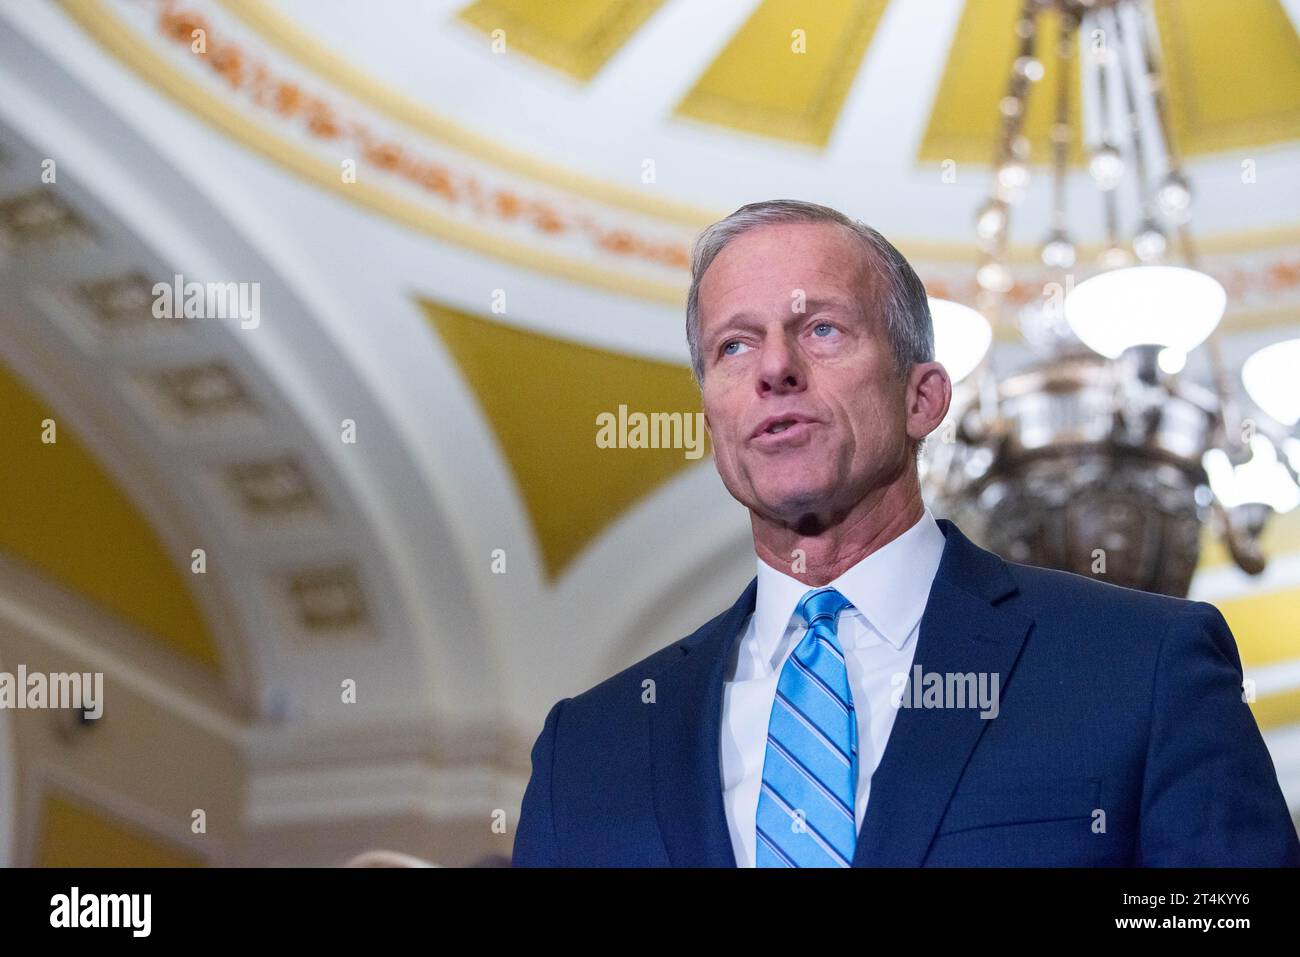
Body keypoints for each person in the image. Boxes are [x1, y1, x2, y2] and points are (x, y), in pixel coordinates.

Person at [512, 199, 1300, 867]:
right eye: (734, 344)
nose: (773, 369)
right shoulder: (586, 751)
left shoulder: (1141, 667)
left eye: (821, 329)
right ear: (714, 419)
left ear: (924, 398)